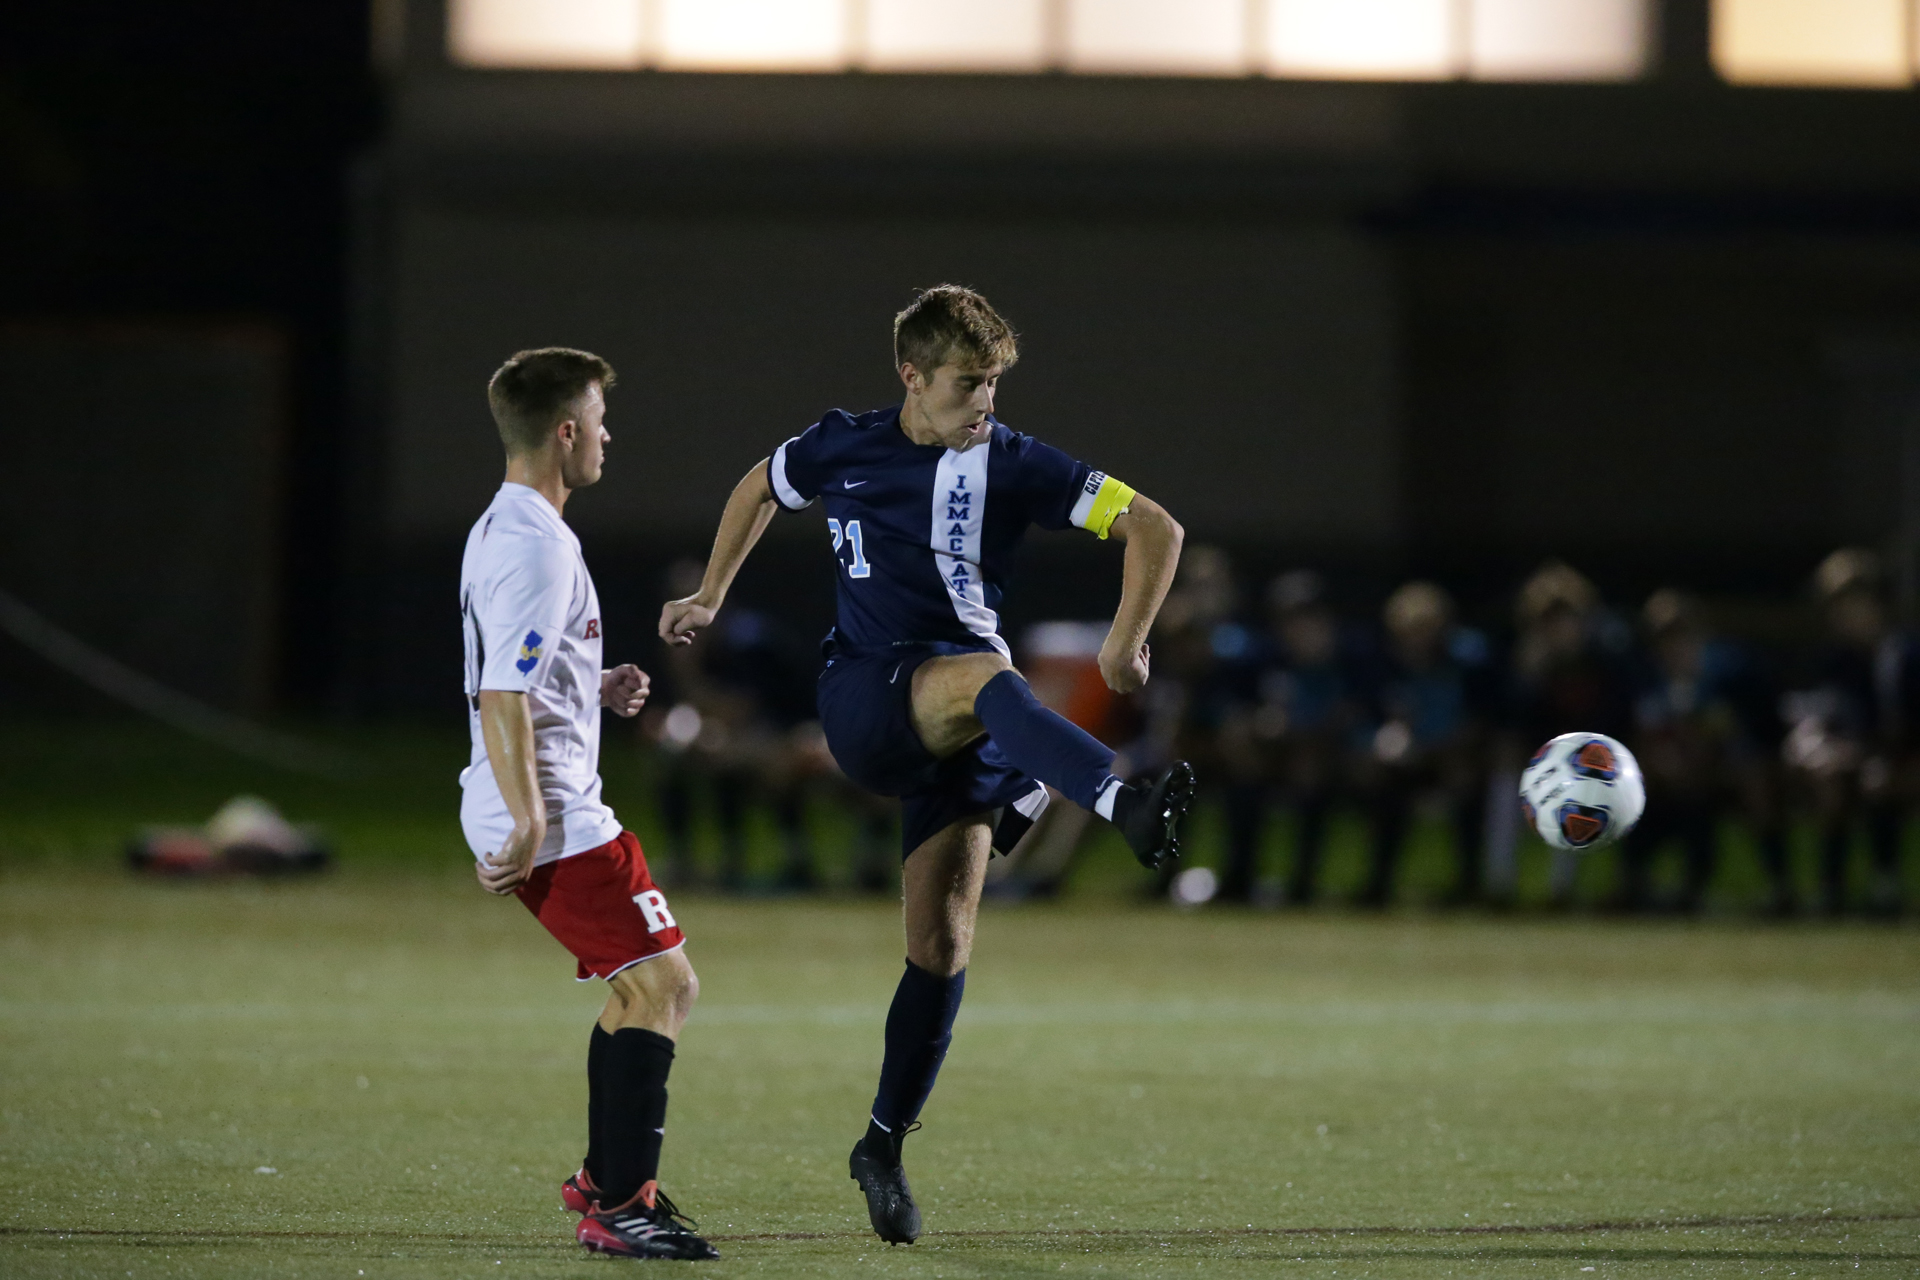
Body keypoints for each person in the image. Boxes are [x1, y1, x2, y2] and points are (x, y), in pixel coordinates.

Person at [660, 285, 1193, 1245]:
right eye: (967, 384)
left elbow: (1155, 527)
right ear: (911, 376)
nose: (984, 402)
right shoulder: (843, 443)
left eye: (993, 383)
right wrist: (708, 591)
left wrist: (1124, 644)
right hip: (868, 694)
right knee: (993, 674)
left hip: (966, 716)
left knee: (941, 948)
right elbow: (758, 485)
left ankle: (881, 1145)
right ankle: (1116, 796)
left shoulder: (1017, 461)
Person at [459, 348, 718, 1261]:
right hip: (555, 812)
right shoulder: (534, 541)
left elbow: (526, 671)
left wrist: (590, 682)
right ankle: (620, 1204)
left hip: (554, 799)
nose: (609, 435)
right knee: (664, 986)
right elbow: (501, 693)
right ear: (566, 431)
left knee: (639, 989)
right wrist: (530, 819)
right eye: (601, 419)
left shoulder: (507, 525)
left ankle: (606, 1182)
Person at [1623, 589, 1786, 915]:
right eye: (1666, 639)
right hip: (1662, 788)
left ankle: (1779, 886)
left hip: (1717, 779)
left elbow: (1750, 738)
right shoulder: (1644, 684)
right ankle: (1633, 882)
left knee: (1748, 787)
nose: (1676, 647)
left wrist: (1708, 756)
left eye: (1683, 636)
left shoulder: (1728, 676)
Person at [1782, 549, 1918, 916]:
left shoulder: (1906, 655)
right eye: (1836, 606)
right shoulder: (1833, 660)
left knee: (1880, 778)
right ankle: (1831, 888)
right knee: (1831, 778)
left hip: (1905, 759)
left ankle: (1886, 882)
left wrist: (1895, 761)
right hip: (1860, 758)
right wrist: (1815, 748)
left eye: (1853, 603)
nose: (1844, 615)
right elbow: (1814, 720)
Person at [1356, 581, 1496, 907]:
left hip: (1453, 757)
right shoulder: (1385, 666)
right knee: (1382, 781)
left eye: (1425, 629)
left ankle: (1471, 883)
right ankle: (1379, 882)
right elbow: (1369, 720)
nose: (1417, 638)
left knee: (1464, 777)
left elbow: (1478, 723)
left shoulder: (1467, 662)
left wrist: (1431, 745)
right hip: (1404, 764)